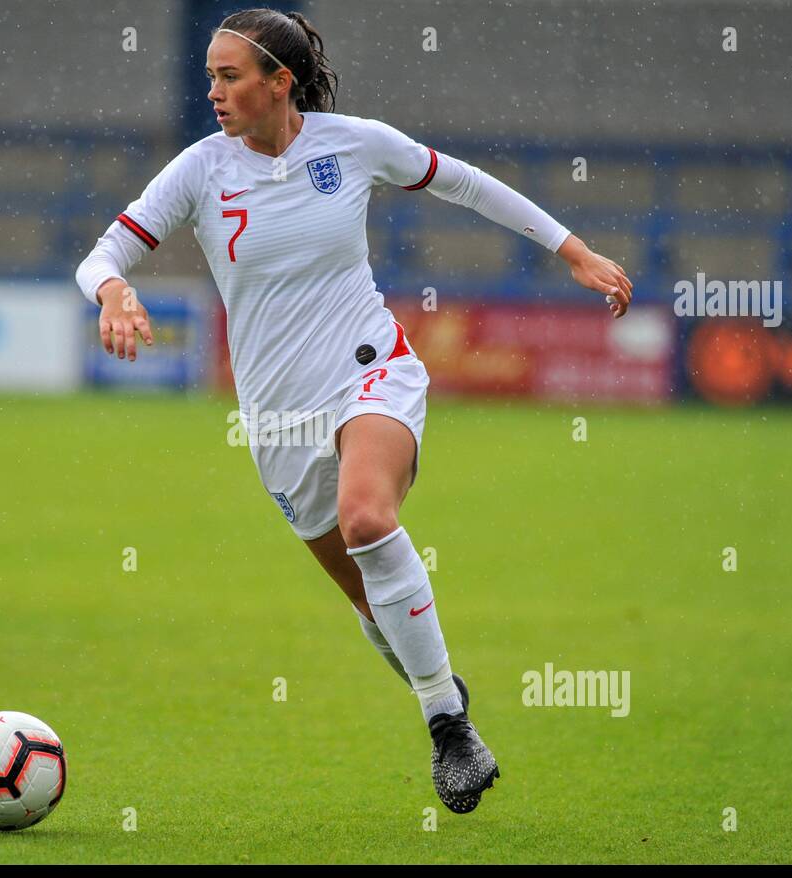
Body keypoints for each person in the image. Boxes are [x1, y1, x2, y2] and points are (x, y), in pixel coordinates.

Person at [75, 7, 632, 813]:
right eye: (209, 76)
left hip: (369, 368)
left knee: (368, 519)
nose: (215, 92)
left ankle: (447, 724)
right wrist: (116, 290)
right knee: (370, 601)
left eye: (230, 76)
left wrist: (572, 250)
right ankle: (439, 679)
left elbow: (463, 182)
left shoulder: (354, 144)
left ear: (280, 82)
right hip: (278, 420)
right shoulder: (201, 170)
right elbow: (103, 253)